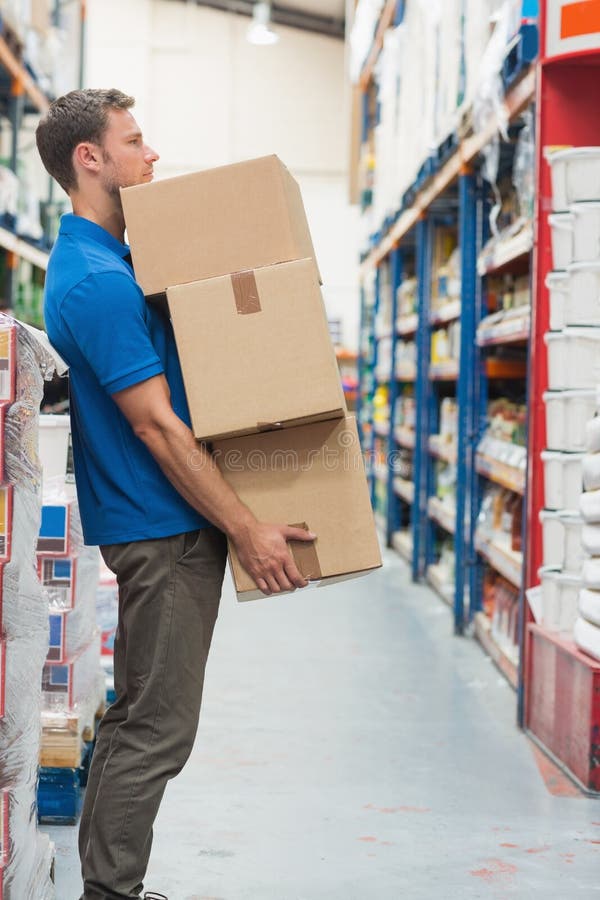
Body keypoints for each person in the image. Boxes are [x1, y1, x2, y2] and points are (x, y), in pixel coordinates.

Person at [36, 88, 315, 900]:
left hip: (162, 523)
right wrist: (247, 528)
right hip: (163, 530)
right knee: (160, 729)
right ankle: (110, 894)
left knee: (135, 718)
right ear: (91, 159)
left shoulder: (117, 262)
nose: (151, 154)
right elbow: (158, 427)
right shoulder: (95, 282)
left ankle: (105, 887)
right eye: (135, 140)